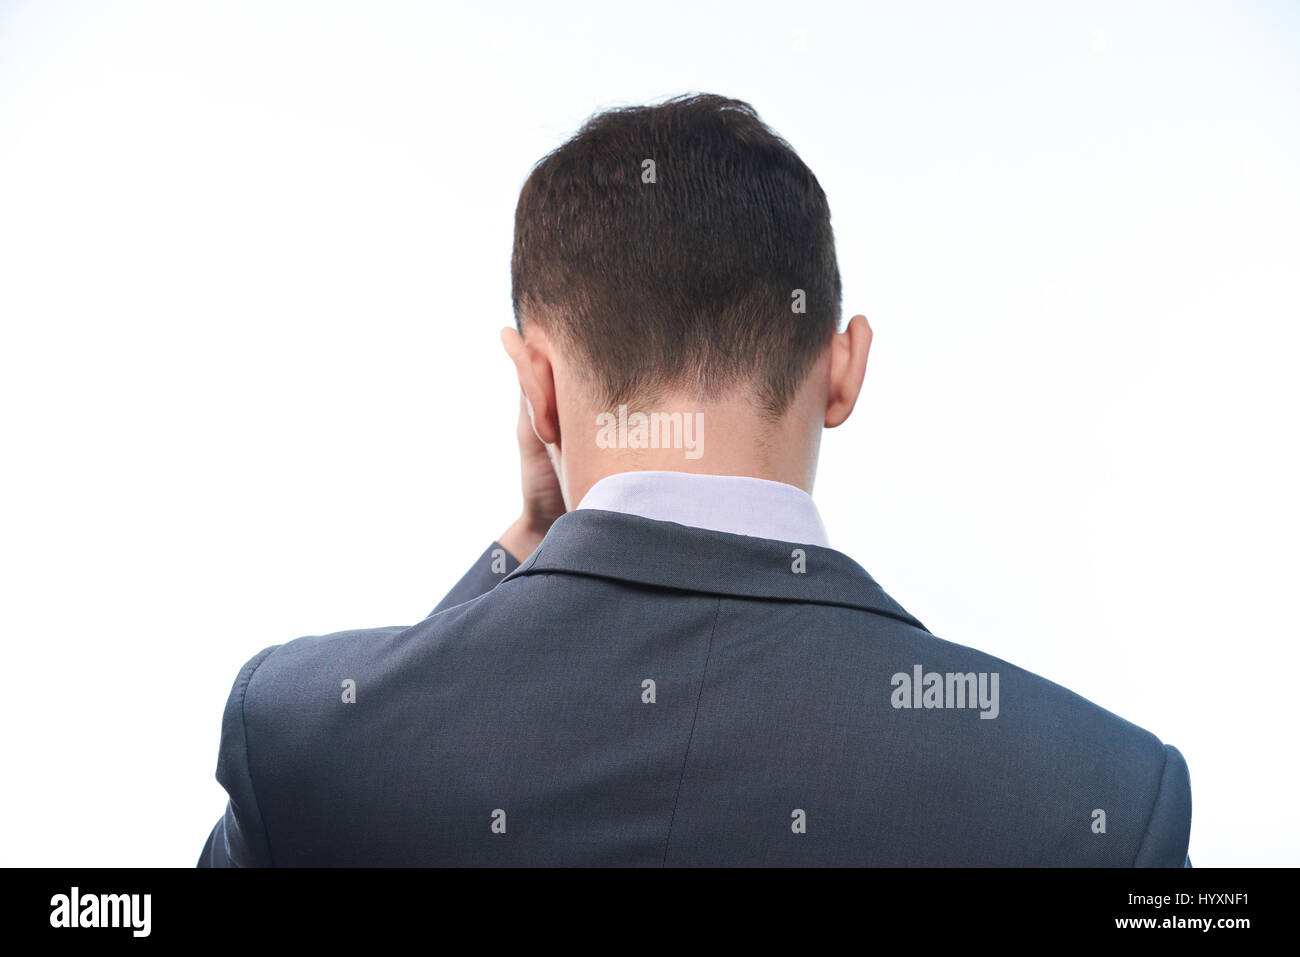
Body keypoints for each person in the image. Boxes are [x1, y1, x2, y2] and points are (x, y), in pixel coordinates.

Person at [199, 93, 1192, 866]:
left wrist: (524, 548)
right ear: (843, 368)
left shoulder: (306, 740)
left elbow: (391, 734)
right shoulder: (1097, 795)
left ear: (536, 390)